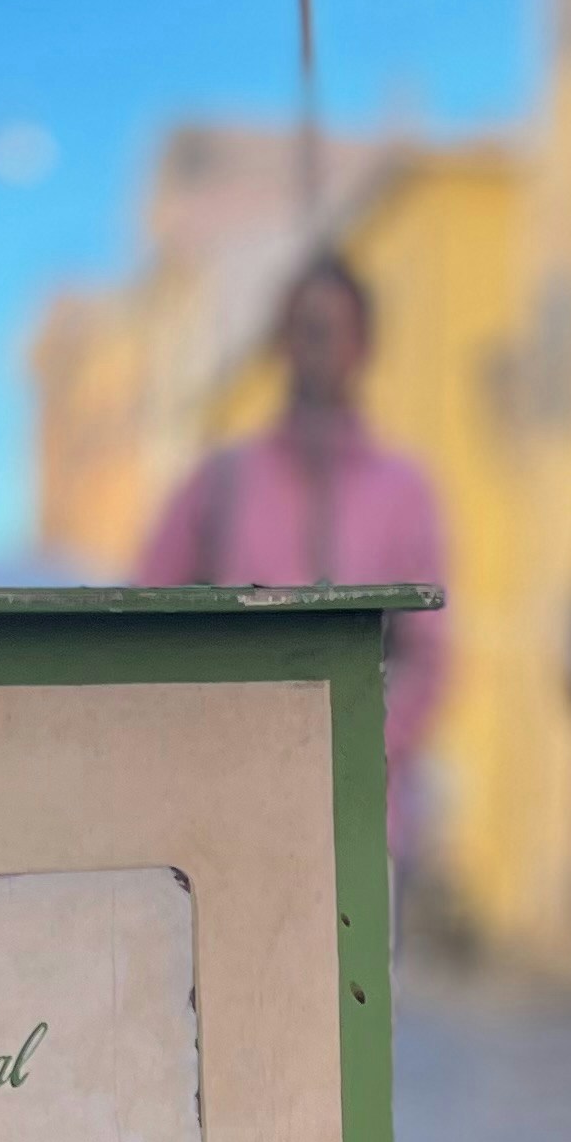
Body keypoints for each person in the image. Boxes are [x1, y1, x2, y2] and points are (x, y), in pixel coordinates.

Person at [139, 252, 448, 892]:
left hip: (363, 818)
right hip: (227, 815)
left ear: (363, 345)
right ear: (280, 340)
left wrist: (360, 747)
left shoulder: (403, 491)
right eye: (300, 328)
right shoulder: (220, 481)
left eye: (329, 329)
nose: (314, 348)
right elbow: (144, 615)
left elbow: (432, 655)